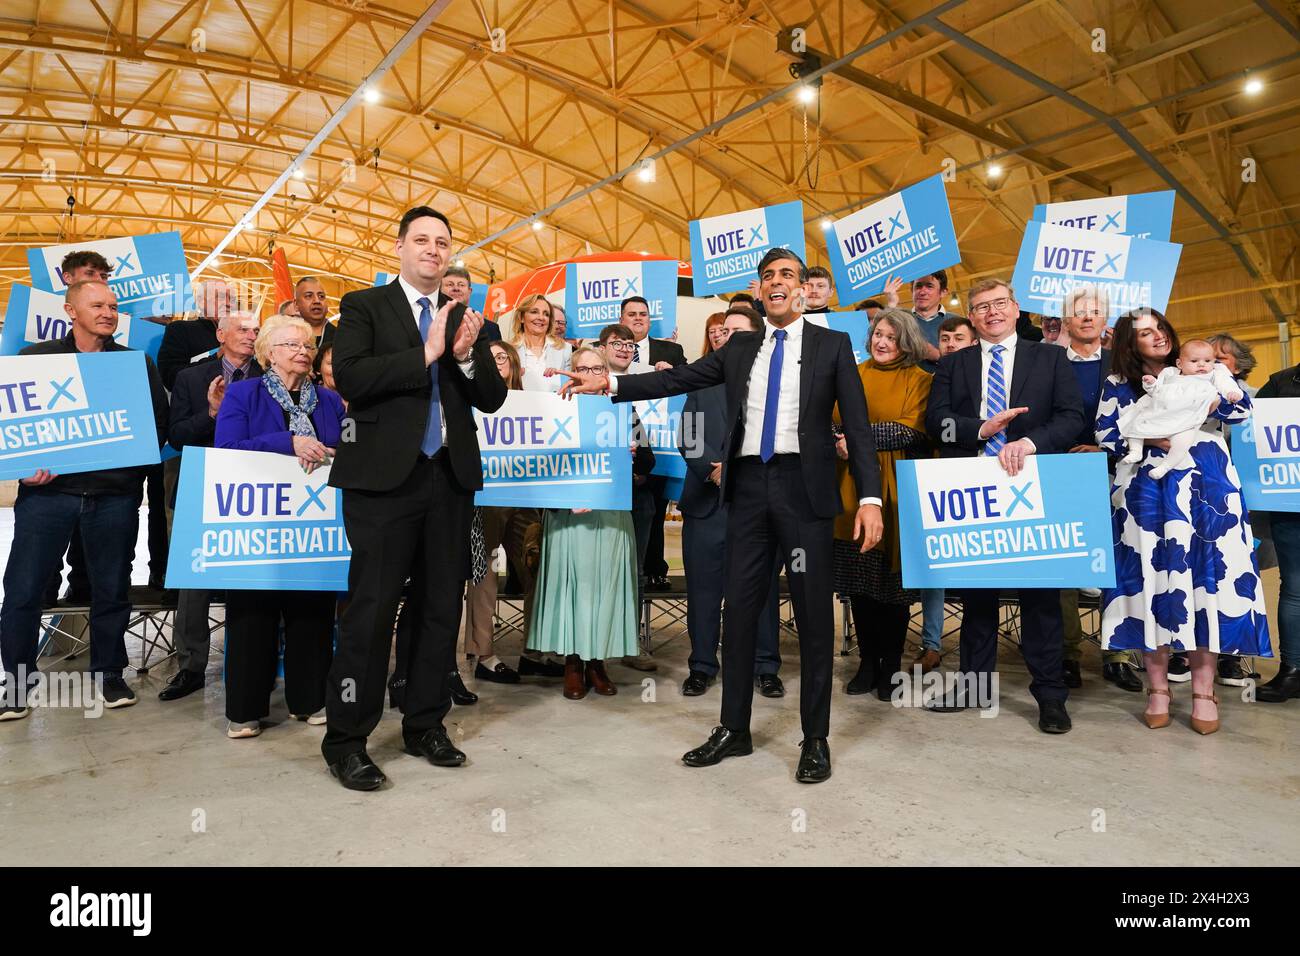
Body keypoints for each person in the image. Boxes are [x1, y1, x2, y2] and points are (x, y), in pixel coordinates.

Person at [558, 247, 884, 784]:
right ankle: (734, 728)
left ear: (802, 289)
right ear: (758, 291)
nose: (777, 283)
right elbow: (673, 381)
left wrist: (869, 498)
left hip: (805, 494)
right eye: (767, 276)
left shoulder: (832, 346)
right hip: (749, 490)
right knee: (741, 607)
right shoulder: (740, 348)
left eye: (787, 275)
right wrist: (611, 384)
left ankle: (816, 739)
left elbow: (858, 424)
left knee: (811, 619)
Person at [321, 206, 506, 791]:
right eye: (421, 239)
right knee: (370, 613)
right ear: (399, 247)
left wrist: (465, 354)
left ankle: (425, 723)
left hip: (447, 480)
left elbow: (492, 398)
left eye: (442, 241)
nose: (432, 248)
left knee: (437, 609)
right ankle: (347, 740)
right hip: (382, 482)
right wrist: (425, 354)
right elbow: (351, 378)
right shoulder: (363, 307)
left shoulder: (465, 319)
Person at [1096, 309, 1271, 734]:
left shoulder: (1205, 366)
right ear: (1128, 343)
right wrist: (1159, 434)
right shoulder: (1119, 384)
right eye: (1143, 333)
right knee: (1152, 582)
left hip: (1209, 488)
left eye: (1159, 328)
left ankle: (1204, 689)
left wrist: (1215, 394)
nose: (1155, 336)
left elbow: (1241, 407)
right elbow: (1106, 434)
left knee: (1207, 584)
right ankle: (1157, 687)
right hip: (1145, 491)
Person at [0, 280, 168, 720]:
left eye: (113, 306)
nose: (108, 312)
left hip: (114, 497)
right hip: (47, 496)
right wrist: (26, 464)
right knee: (23, 590)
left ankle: (110, 672)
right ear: (70, 310)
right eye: (97, 305)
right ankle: (17, 683)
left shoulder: (136, 364)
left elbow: (156, 427)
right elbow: (16, 428)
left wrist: (129, 469)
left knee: (111, 589)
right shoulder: (35, 361)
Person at [923, 278, 1083, 732]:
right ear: (971, 318)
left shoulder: (1049, 357)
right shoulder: (955, 364)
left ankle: (1050, 694)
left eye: (999, 304)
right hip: (973, 488)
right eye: (980, 307)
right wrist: (980, 428)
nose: (991, 312)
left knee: (1040, 597)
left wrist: (1030, 442)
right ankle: (974, 686)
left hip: (1033, 484)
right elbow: (937, 422)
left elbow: (1072, 416)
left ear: (1015, 309)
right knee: (977, 595)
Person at [214, 316, 345, 737]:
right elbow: (227, 449)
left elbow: (345, 448)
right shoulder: (242, 393)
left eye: (307, 344)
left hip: (312, 522)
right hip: (257, 522)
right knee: (253, 615)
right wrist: (287, 443)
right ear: (269, 353)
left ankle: (309, 701)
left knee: (313, 613)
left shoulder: (329, 400)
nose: (303, 351)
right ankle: (245, 710)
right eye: (291, 344)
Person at [529, 346, 653, 699]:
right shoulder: (555, 409)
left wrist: (631, 458)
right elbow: (540, 466)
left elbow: (649, 462)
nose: (590, 373)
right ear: (572, 371)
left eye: (597, 368)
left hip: (610, 516)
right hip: (569, 517)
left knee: (605, 590)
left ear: (605, 373)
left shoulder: (625, 412)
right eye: (582, 367)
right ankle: (571, 662)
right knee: (573, 591)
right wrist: (567, 494)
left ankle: (597, 662)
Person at [679, 306, 784, 698]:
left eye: (738, 331)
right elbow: (688, 438)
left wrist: (742, 471)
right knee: (704, 591)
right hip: (707, 506)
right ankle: (702, 665)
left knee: (762, 592)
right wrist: (715, 471)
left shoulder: (777, 385)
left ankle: (765, 665)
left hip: (759, 506)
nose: (726, 337)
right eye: (724, 331)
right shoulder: (701, 385)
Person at [158, 310, 262, 702]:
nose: (250, 336)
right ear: (221, 334)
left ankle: (249, 662)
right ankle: (190, 667)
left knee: (249, 582)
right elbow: (179, 435)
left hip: (253, 490)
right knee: (195, 582)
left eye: (255, 330)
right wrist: (213, 413)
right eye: (242, 329)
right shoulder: (190, 378)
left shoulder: (270, 379)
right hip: (202, 488)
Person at [836, 309, 933, 700]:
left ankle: (891, 665)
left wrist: (854, 437)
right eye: (877, 334)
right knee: (859, 584)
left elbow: (908, 430)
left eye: (891, 336)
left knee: (893, 589)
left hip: (898, 490)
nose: (881, 342)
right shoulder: (854, 373)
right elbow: (829, 419)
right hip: (851, 486)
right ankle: (866, 662)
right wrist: (837, 439)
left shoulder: (920, 378)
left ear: (906, 341)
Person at [459, 340, 557, 686]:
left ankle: (534, 651)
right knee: (482, 571)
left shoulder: (533, 402)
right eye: (491, 358)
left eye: (503, 357)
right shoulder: (471, 397)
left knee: (536, 565)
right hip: (485, 496)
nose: (497, 362)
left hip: (527, 495)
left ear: (514, 365)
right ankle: (484, 654)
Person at [1058, 286, 1141, 692]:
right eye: (1079, 312)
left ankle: (1118, 654)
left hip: (1114, 472)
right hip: (1062, 472)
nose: (1087, 317)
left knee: (1116, 563)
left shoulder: (1124, 365)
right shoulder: (1049, 361)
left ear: (1105, 320)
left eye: (1095, 312)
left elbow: (1141, 419)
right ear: (1066, 320)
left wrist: (1104, 449)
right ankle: (1068, 654)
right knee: (1066, 568)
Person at [1204, 331, 1262, 687]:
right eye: (1205, 357)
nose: (1210, 363)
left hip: (1246, 501)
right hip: (1205, 501)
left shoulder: (1253, 400)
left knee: (1235, 579)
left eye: (1219, 357)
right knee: (1202, 579)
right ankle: (1190, 652)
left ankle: (1231, 658)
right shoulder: (1188, 393)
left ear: (1237, 365)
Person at [621, 295, 685, 596]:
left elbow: (689, 385)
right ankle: (627, 573)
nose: (637, 319)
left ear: (649, 319)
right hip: (623, 437)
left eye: (642, 314)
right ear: (622, 319)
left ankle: (654, 571)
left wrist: (672, 372)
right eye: (631, 314)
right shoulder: (606, 348)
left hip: (661, 442)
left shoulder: (671, 350)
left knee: (656, 510)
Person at [1117, 340, 1243, 479]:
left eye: (1208, 361)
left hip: (1187, 418)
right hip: (1162, 413)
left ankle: (1165, 467)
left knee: (1182, 442)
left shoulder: (1214, 375)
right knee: (1138, 424)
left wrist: (1232, 393)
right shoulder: (1170, 373)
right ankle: (1135, 450)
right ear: (1179, 364)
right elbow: (1156, 391)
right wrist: (1150, 383)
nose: (1202, 364)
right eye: (1194, 361)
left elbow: (1227, 385)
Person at [1255, 360, 1300, 703]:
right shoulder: (1281, 382)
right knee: (1295, 589)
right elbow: (1249, 431)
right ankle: (1292, 671)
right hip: (1289, 504)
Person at [157, 279, 234, 390]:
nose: (228, 303)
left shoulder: (240, 335)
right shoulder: (181, 330)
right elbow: (171, 378)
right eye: (220, 297)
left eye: (230, 298)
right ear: (202, 302)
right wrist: (217, 357)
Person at [510, 294, 571, 392]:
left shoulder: (565, 349)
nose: (541, 318)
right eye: (534, 312)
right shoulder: (509, 350)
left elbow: (570, 387)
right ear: (521, 318)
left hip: (555, 405)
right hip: (519, 404)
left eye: (546, 314)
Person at [442, 265, 501, 341]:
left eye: (461, 285)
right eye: (450, 284)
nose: (456, 288)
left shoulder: (490, 328)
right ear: (440, 291)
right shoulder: (428, 322)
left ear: (469, 291)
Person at [294, 276, 331, 346]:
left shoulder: (342, 336)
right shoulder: (286, 337)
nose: (317, 301)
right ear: (296, 304)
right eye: (309, 296)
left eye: (321, 296)